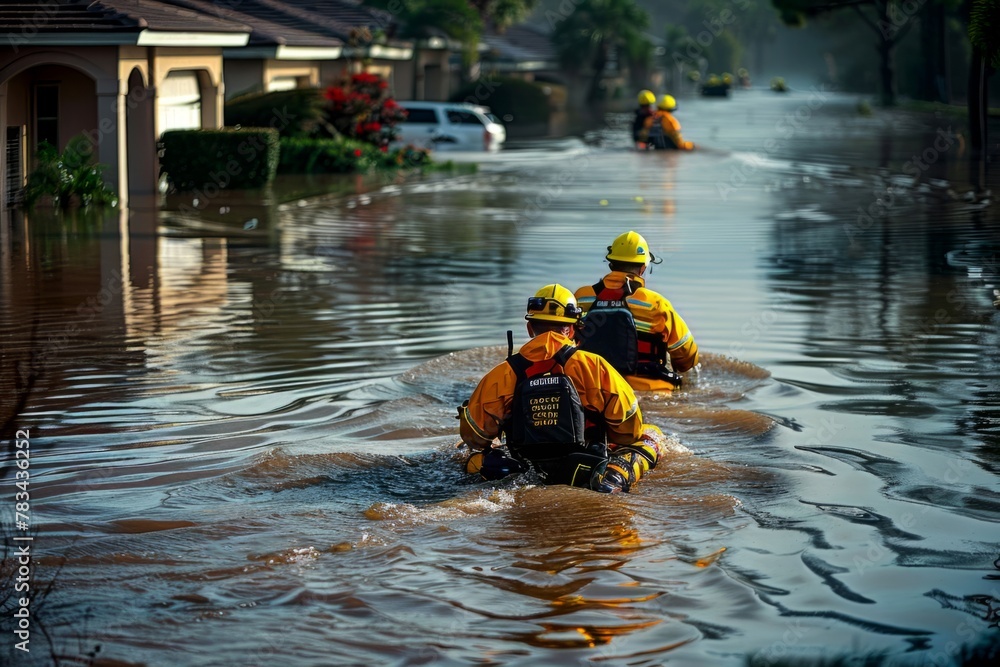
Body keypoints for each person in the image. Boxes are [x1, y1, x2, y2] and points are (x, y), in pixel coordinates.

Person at [458, 284, 661, 493]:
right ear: (572, 329)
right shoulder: (595, 367)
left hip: (527, 472)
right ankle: (614, 478)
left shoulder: (501, 374)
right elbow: (629, 432)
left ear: (530, 329)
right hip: (586, 469)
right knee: (651, 437)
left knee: (471, 456)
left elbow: (475, 438)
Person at [575, 231, 699, 392]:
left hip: (594, 391)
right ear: (643, 268)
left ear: (611, 264)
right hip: (649, 393)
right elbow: (687, 357)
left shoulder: (581, 298)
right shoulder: (656, 304)